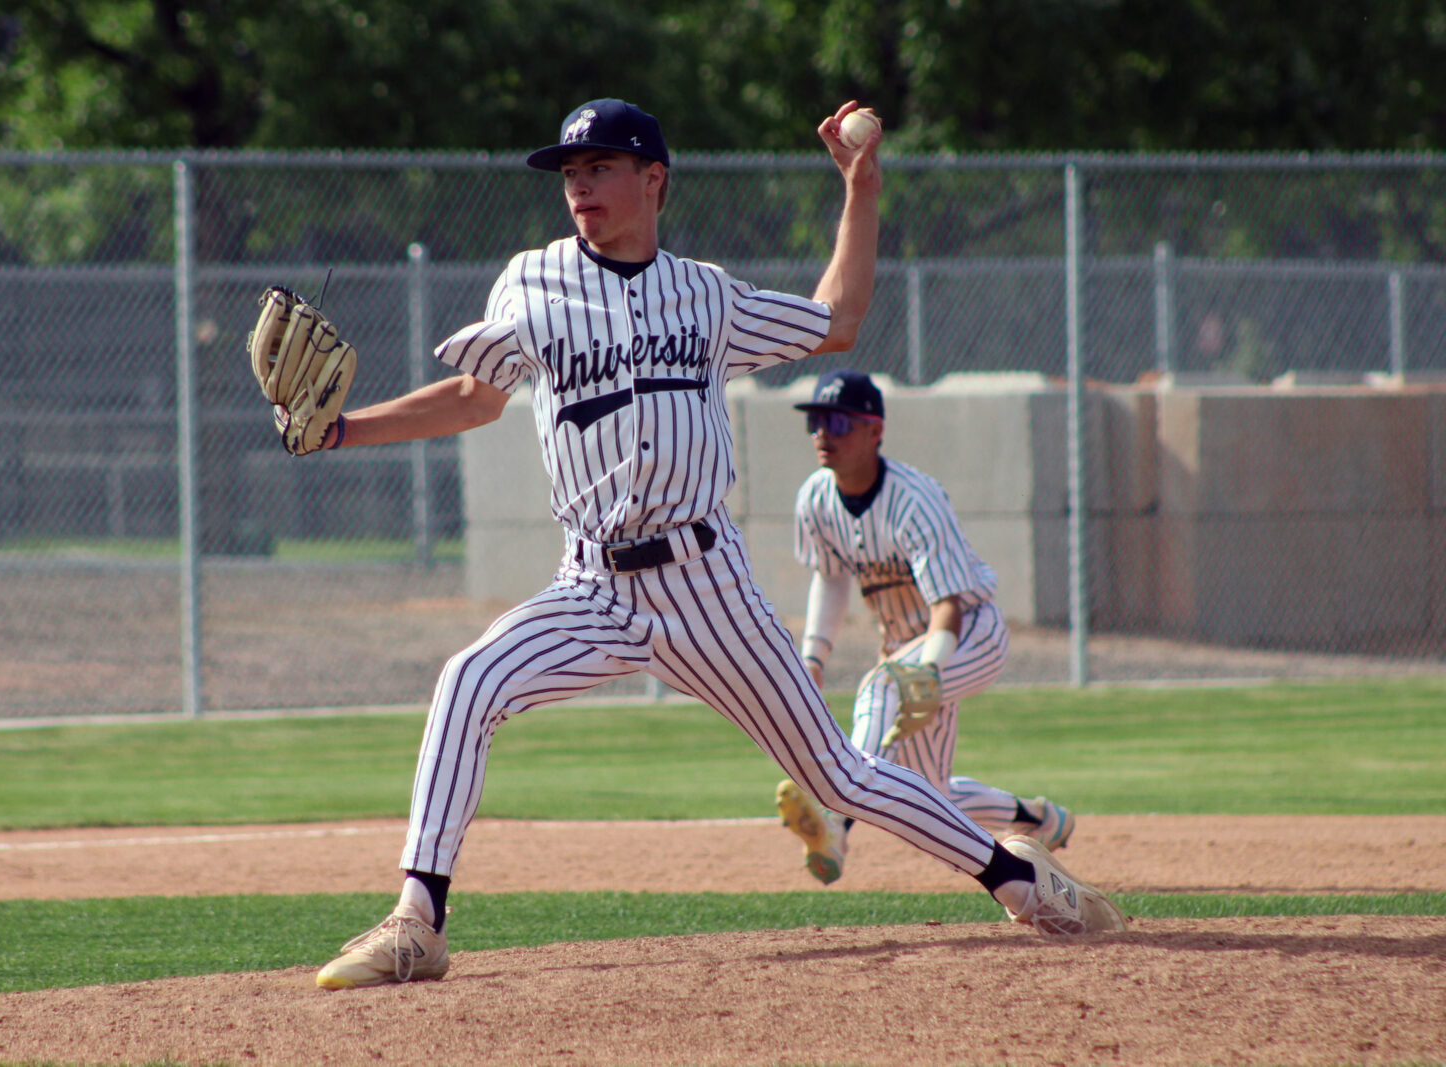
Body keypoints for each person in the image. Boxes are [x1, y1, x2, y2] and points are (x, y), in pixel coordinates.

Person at [304, 98, 1126, 988]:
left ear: (653, 179)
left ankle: (1020, 878)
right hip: (592, 587)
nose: (580, 186)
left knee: (838, 777)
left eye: (601, 167)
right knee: (469, 680)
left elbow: (838, 319)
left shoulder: (706, 295)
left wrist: (861, 190)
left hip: (708, 587)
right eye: (571, 172)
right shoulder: (531, 284)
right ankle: (418, 921)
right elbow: (475, 397)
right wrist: (342, 429)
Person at [774, 368, 1075, 887]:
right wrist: (813, 659)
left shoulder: (914, 499)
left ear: (875, 431)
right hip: (904, 644)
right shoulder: (815, 499)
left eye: (838, 422)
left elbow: (948, 606)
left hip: (970, 637)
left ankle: (836, 824)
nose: (823, 432)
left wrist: (928, 670)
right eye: (816, 421)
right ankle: (1040, 819)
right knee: (927, 792)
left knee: (882, 685)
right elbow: (831, 577)